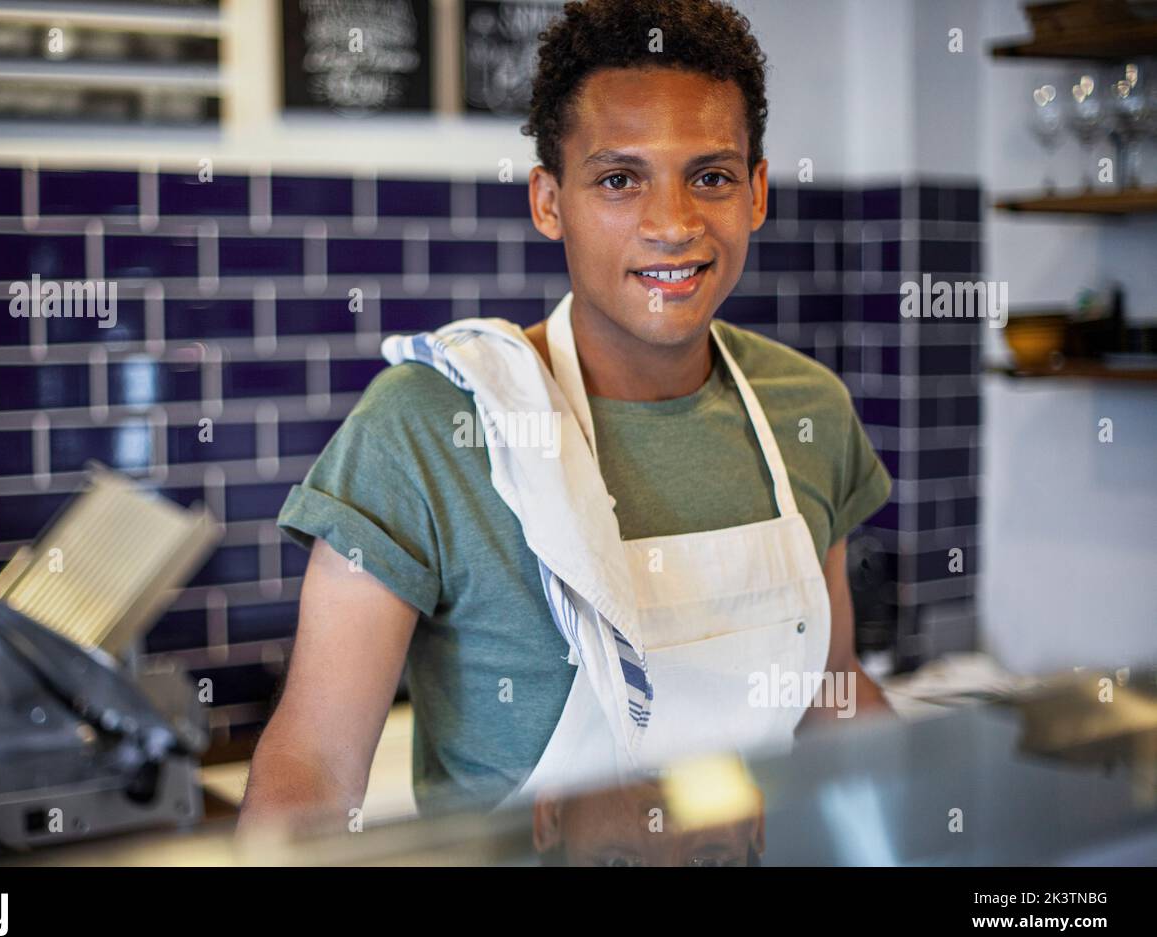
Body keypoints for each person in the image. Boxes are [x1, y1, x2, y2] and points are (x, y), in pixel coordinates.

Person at [239, 0, 894, 836]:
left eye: (712, 176)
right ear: (550, 202)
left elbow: (830, 698)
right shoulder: (427, 424)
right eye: (619, 179)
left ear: (757, 194)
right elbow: (316, 769)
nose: (673, 224)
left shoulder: (808, 408)